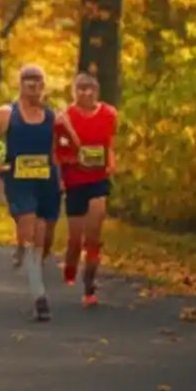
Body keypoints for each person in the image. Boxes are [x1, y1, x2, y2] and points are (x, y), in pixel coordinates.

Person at [0, 64, 79, 321]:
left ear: (44, 86)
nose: (33, 85)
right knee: (31, 231)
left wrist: (66, 152)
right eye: (27, 81)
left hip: (48, 182)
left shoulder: (53, 115)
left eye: (37, 81)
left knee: (44, 240)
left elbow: (72, 146)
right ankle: (39, 297)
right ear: (20, 84)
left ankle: (28, 256)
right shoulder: (6, 113)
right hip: (19, 180)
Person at [57, 73, 118, 307]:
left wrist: (111, 161)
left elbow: (109, 144)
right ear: (74, 92)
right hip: (74, 182)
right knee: (75, 240)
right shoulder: (64, 118)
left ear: (97, 91)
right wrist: (72, 163)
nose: (86, 93)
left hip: (97, 180)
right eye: (81, 88)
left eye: (90, 88)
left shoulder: (109, 114)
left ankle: (89, 285)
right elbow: (60, 152)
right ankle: (70, 264)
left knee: (93, 237)